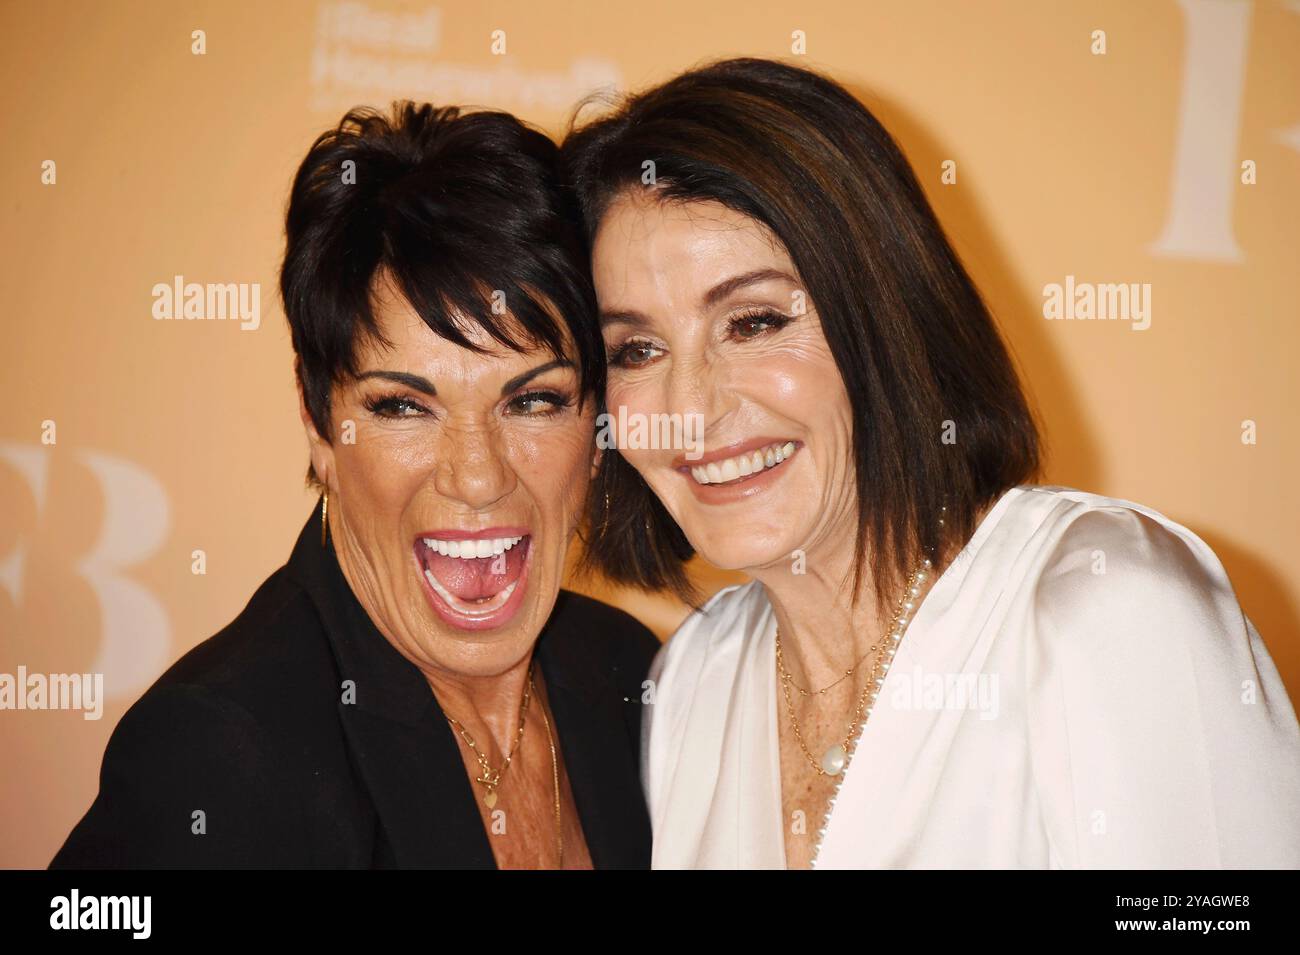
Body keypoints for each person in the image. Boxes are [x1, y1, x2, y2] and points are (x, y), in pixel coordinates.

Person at [561, 58, 1300, 868]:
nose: (691, 408)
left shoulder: (1105, 604)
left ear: (885, 316)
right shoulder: (695, 680)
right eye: (636, 349)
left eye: (754, 322)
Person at [51, 102, 658, 869]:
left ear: (596, 426)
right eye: (403, 405)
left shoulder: (632, 677)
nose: (476, 476)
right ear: (318, 423)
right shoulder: (216, 754)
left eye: (532, 400)